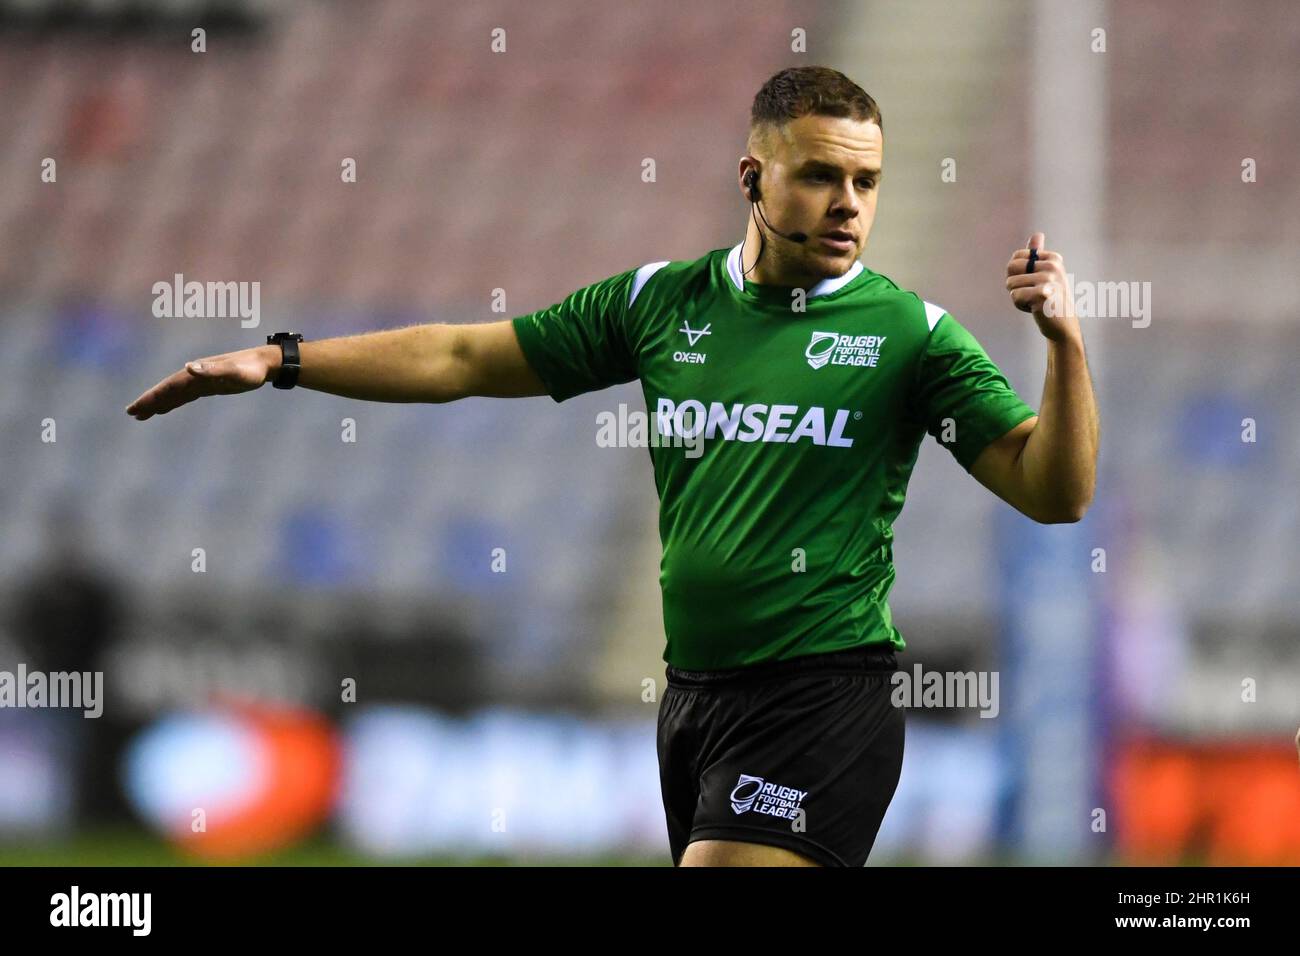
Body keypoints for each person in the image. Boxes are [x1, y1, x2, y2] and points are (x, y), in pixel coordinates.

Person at [126, 66, 1099, 867]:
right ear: (752, 176)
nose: (847, 203)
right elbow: (463, 358)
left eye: (866, 181)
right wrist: (281, 359)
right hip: (693, 698)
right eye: (818, 176)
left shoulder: (909, 334)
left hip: (822, 691)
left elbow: (1054, 493)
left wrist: (1063, 347)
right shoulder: (656, 304)